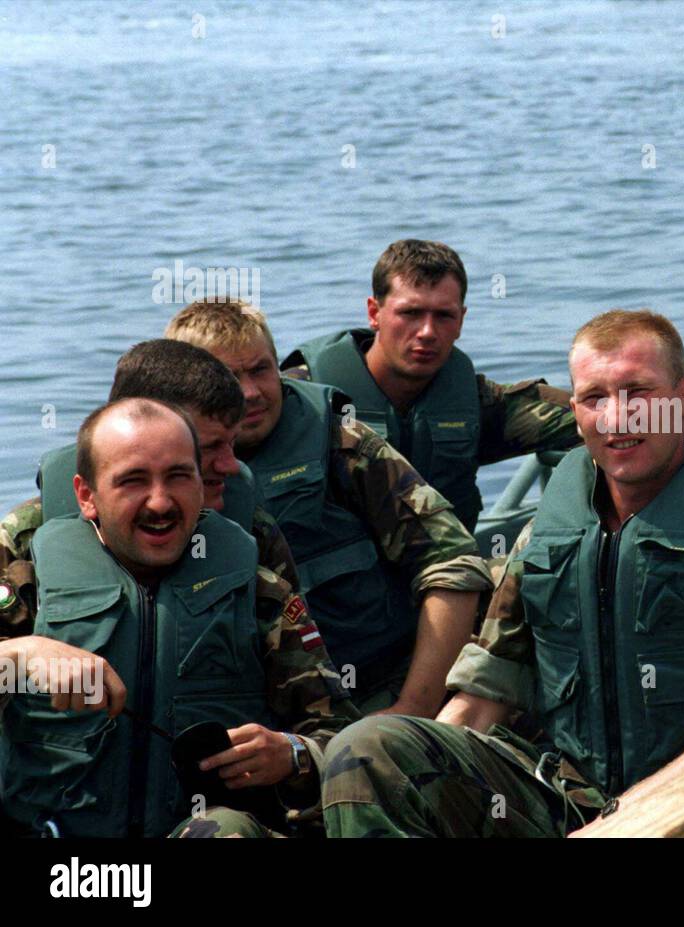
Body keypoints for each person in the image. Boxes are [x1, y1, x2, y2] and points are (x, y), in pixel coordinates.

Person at [319, 310, 684, 837]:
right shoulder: (549, 531)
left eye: (637, 393)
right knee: (366, 751)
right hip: (566, 796)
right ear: (575, 412)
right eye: (595, 398)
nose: (618, 418)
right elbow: (483, 698)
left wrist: (648, 808)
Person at [281, 239, 684, 531]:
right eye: (410, 313)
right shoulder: (299, 398)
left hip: (439, 585)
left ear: (464, 319)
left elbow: (605, 420)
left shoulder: (473, 404)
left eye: (443, 316)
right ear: (374, 312)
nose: (427, 333)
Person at [0, 398, 356, 838]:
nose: (160, 502)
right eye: (133, 481)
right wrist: (19, 655)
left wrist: (292, 753)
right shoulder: (27, 584)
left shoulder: (261, 594)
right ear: (87, 496)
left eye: (178, 477)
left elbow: (339, 737)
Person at [165, 301, 493, 716]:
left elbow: (454, 563)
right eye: (228, 377)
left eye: (261, 370)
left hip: (370, 697)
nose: (250, 393)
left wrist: (413, 708)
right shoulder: (150, 470)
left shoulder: (337, 437)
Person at [0, 339, 300, 646]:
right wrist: (24, 654)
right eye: (208, 447)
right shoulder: (26, 538)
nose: (230, 466)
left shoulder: (252, 533)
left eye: (232, 443)